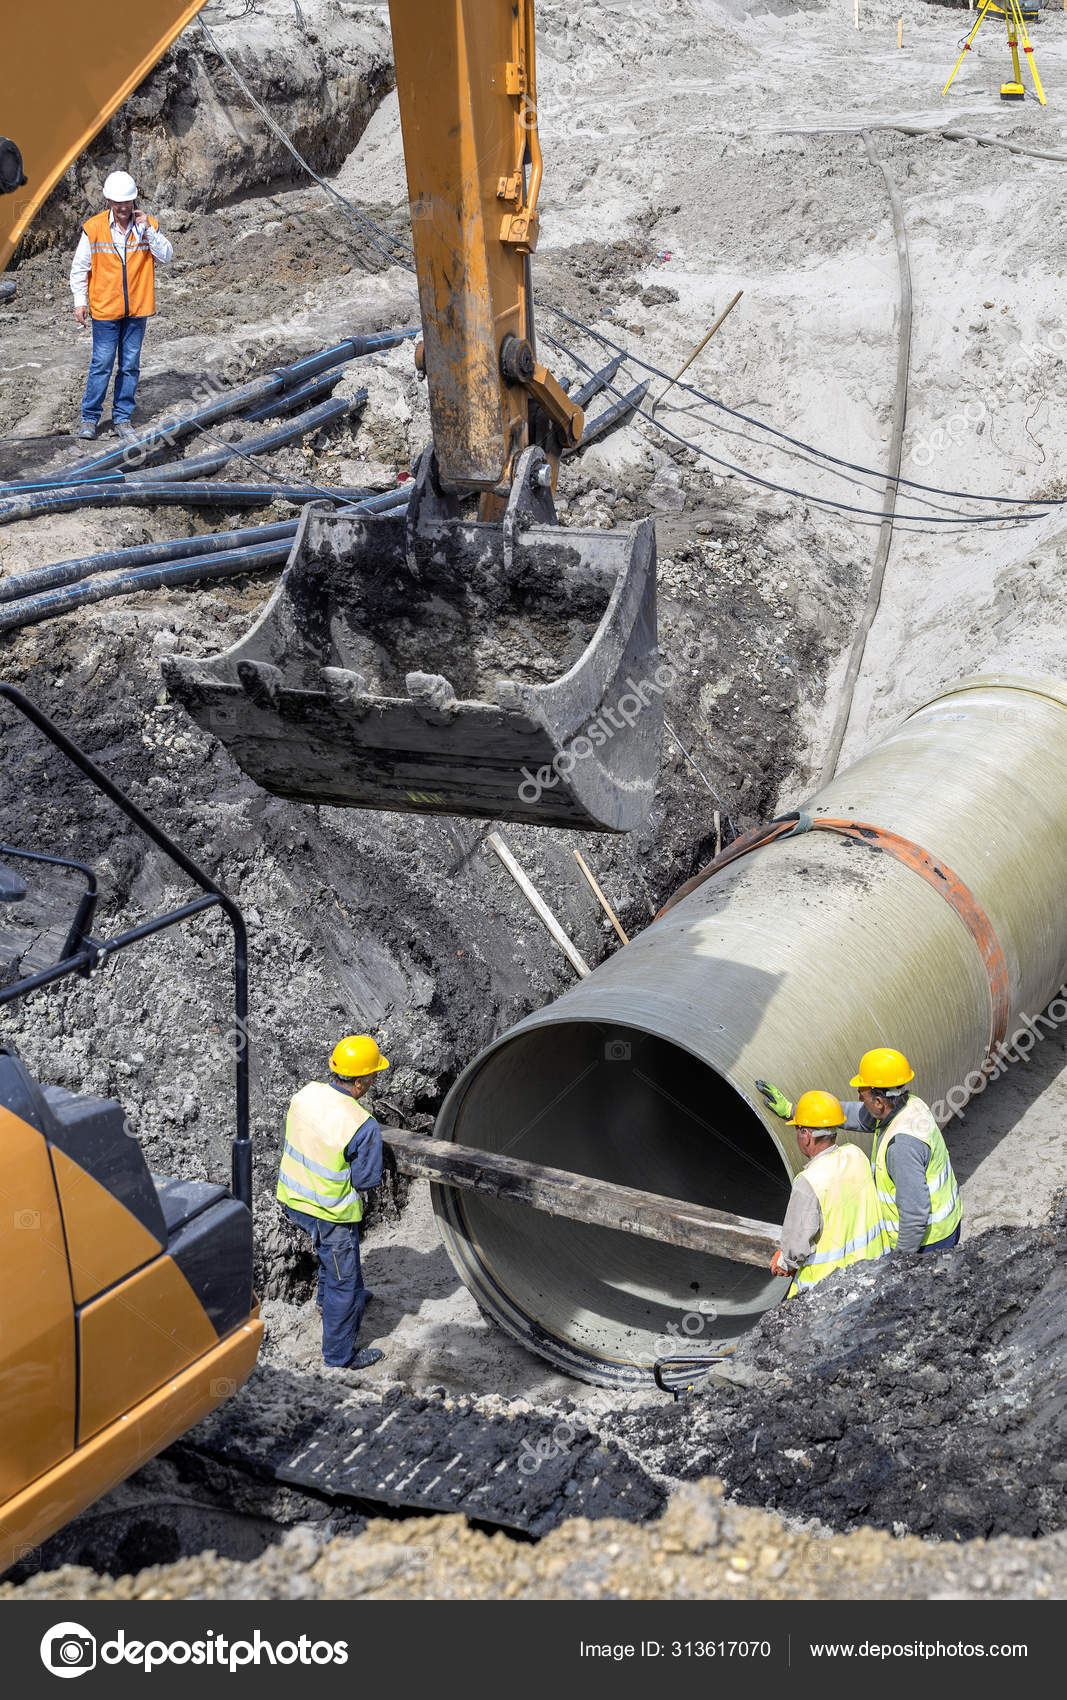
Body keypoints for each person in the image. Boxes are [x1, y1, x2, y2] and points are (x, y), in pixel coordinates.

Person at [758, 1045, 962, 1257]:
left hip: (929, 1242)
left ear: (879, 1101)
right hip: (945, 1224)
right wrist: (796, 1111)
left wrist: (901, 1260)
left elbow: (915, 1213)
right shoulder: (909, 1104)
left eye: (862, 1095)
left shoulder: (901, 1147)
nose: (859, 1100)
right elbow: (857, 1115)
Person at [276, 1034, 388, 1371]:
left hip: (294, 1199)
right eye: (372, 1076)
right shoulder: (362, 1126)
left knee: (334, 1257)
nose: (373, 1081)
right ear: (361, 1081)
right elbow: (366, 1180)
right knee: (343, 1278)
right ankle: (339, 1356)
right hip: (330, 1211)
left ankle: (330, 1299)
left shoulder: (305, 1095)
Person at [69, 169, 173, 443]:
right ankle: (90, 418)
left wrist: (148, 229)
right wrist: (80, 302)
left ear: (134, 200)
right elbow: (79, 268)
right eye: (118, 203)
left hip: (137, 309)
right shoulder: (94, 228)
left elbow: (166, 256)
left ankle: (122, 418)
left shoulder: (146, 226)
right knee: (102, 364)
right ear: (109, 202)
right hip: (105, 309)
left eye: (127, 202)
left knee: (129, 365)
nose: (123, 208)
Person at [768, 1090, 889, 1298]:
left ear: (806, 1136)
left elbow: (796, 1246)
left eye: (798, 1129)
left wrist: (783, 1262)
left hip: (826, 1293)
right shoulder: (857, 1155)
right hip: (873, 1275)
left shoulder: (808, 1183)